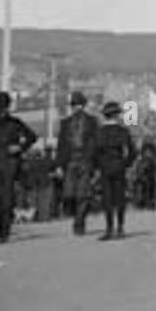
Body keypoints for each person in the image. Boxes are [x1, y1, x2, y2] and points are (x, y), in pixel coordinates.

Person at [0, 92, 36, 243]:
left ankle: (2, 232)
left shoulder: (15, 122)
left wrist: (20, 147)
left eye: (3, 105)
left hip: (7, 163)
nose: (2, 108)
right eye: (0, 106)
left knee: (5, 199)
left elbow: (32, 137)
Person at [55, 91, 100, 235]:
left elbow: (97, 143)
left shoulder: (92, 122)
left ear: (83, 105)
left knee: (83, 194)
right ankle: (76, 215)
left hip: (85, 160)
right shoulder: (65, 123)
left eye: (79, 104)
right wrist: (59, 165)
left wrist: (97, 164)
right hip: (70, 160)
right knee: (69, 194)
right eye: (75, 105)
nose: (77, 108)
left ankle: (79, 222)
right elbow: (61, 145)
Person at [92, 101, 137, 240]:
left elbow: (94, 152)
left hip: (105, 167)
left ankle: (109, 228)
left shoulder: (99, 132)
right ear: (117, 115)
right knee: (120, 198)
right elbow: (133, 151)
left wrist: (97, 167)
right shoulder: (123, 131)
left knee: (107, 199)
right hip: (119, 166)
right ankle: (121, 227)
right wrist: (126, 164)